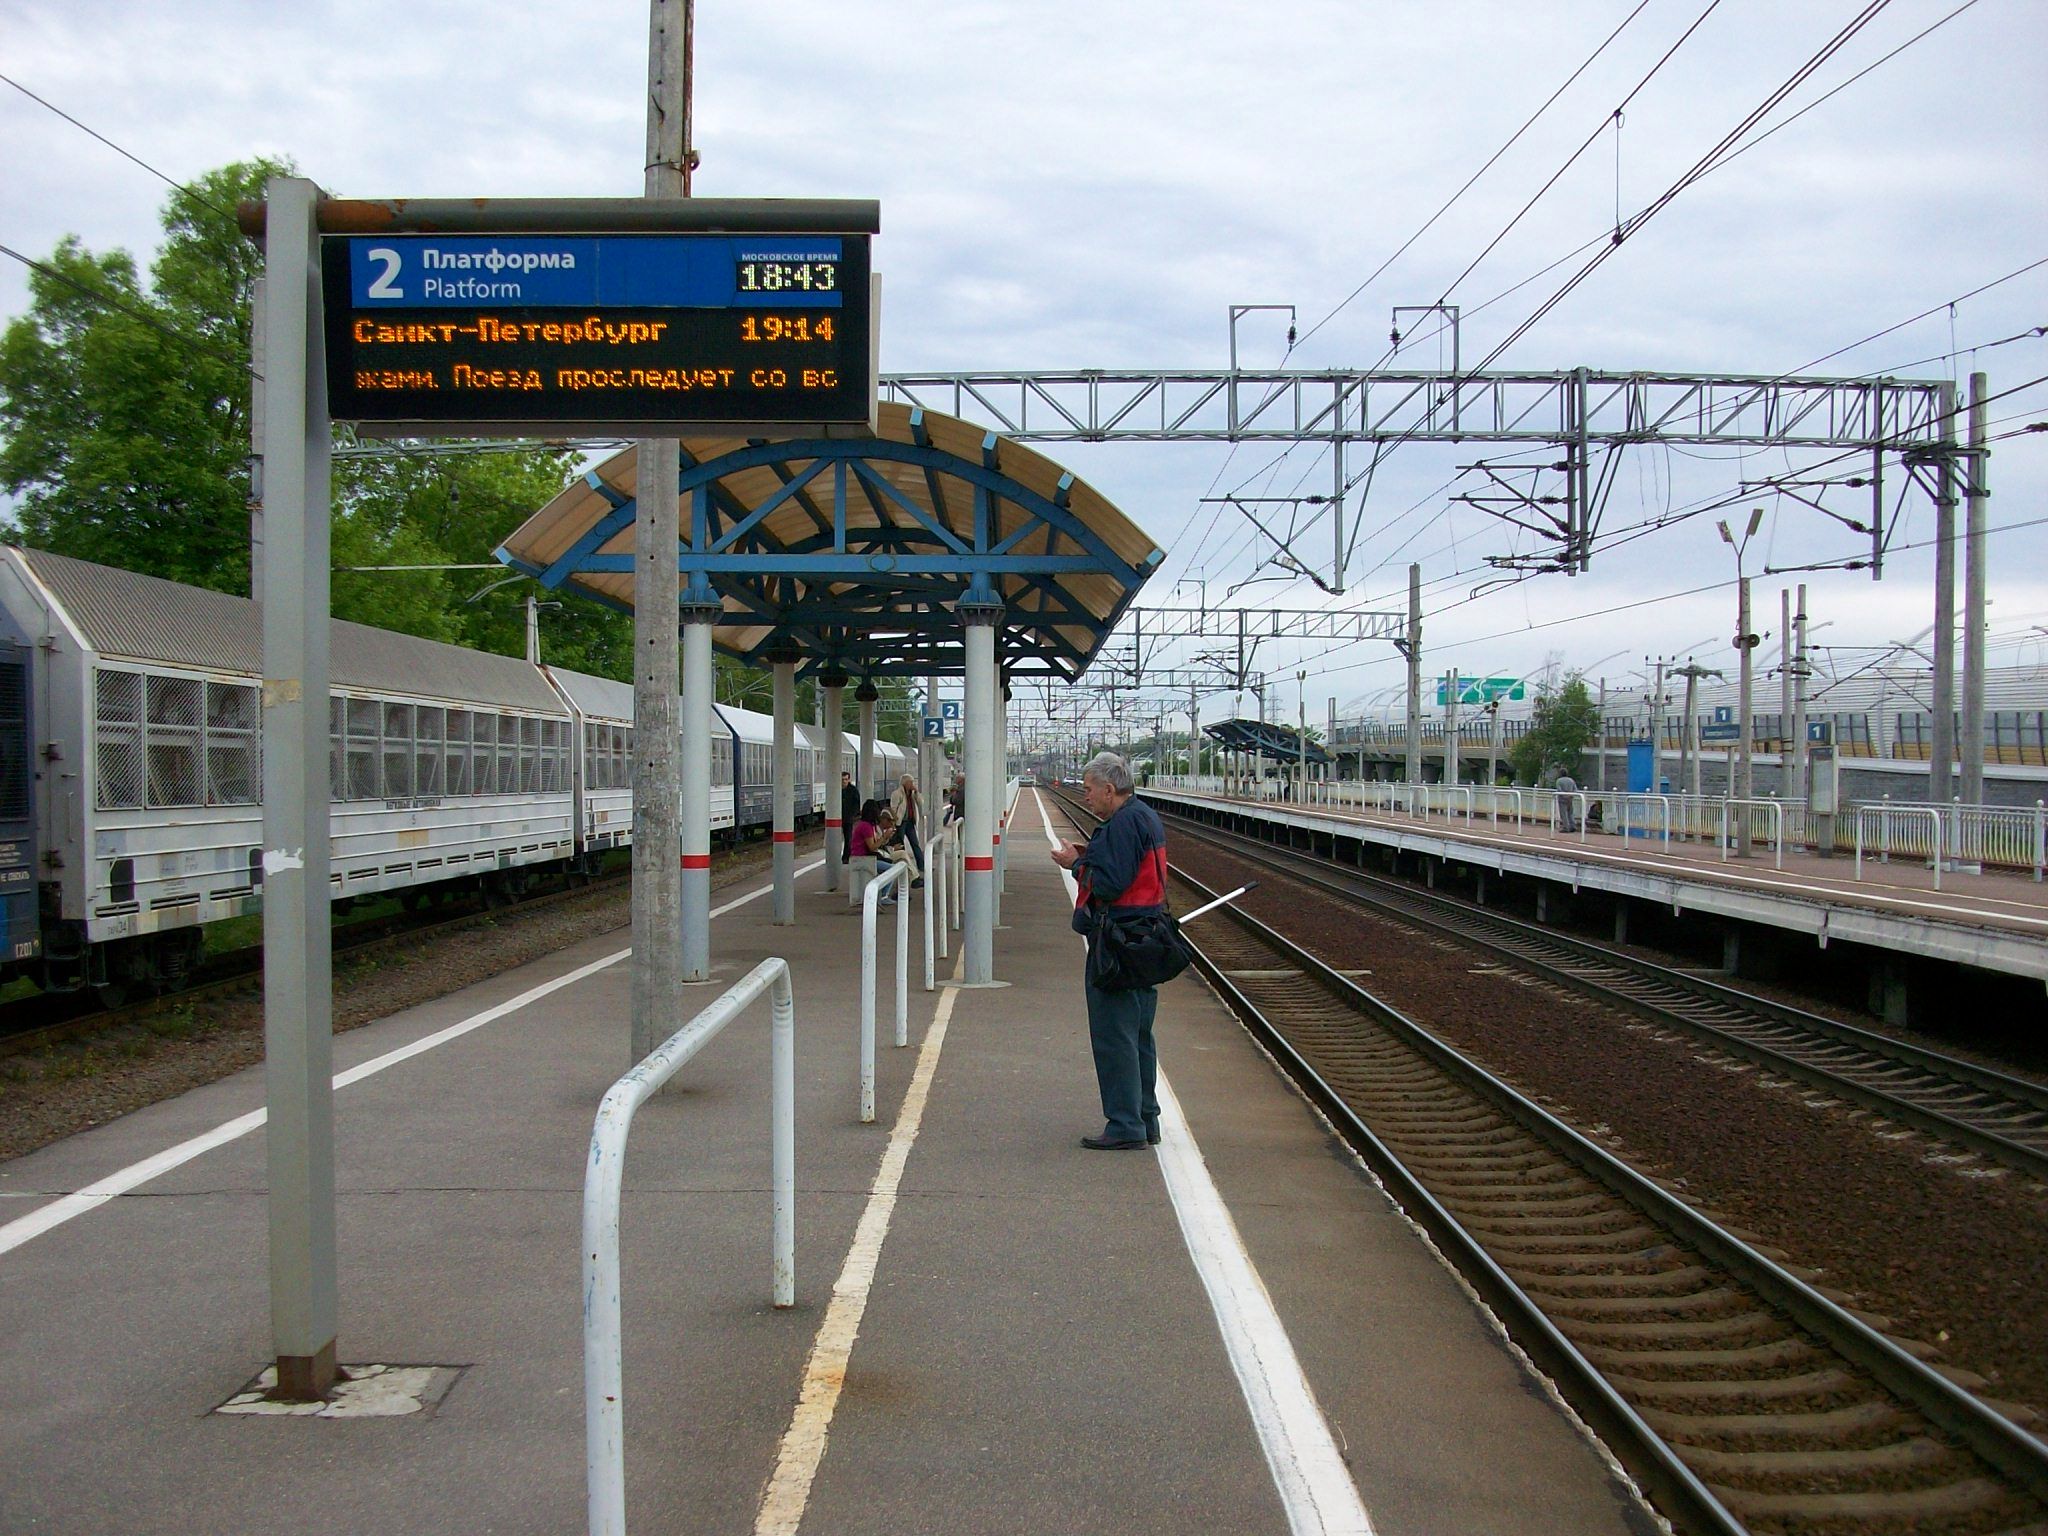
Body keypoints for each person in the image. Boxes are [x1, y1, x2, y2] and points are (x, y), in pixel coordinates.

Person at [1050, 751, 1169, 1151]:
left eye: (1088, 790)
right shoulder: (1144, 816)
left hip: (1118, 944)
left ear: (1108, 788)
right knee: (1138, 1033)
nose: (1085, 797)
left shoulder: (1121, 823)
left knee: (1113, 1034)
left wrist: (1074, 864)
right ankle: (1145, 1118)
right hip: (1145, 940)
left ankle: (1123, 1124)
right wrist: (1091, 855)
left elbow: (1109, 884)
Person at [889, 772, 925, 886]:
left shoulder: (913, 794)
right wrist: (893, 822)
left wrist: (917, 792)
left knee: (915, 843)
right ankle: (903, 867)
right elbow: (893, 808)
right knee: (900, 844)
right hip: (900, 822)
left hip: (910, 821)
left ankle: (921, 865)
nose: (912, 784)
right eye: (910, 782)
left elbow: (921, 803)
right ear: (904, 783)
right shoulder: (897, 794)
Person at [838, 771, 859, 867]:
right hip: (837, 818)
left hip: (848, 818)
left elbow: (857, 803)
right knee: (836, 838)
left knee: (848, 838)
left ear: (849, 779)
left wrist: (852, 814)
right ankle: (836, 856)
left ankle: (846, 857)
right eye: (842, 780)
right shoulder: (837, 790)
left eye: (846, 779)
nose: (844, 782)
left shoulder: (853, 790)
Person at [1555, 769, 1579, 833]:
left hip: (1562, 799)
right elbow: (1575, 790)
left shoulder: (1559, 781)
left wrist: (1564, 796)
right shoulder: (1571, 780)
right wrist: (1570, 796)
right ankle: (1573, 826)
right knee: (1570, 813)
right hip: (1570, 799)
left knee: (1563, 814)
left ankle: (1566, 827)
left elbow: (1559, 790)